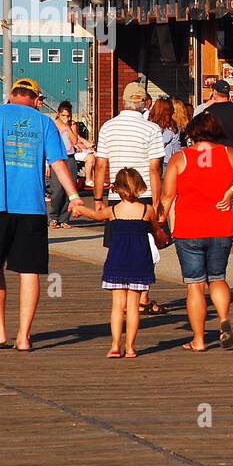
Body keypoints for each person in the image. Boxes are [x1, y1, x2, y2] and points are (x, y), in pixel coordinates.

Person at [0, 78, 79, 351]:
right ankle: (24, 337)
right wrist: (73, 197)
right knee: (29, 271)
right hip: (32, 207)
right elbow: (58, 164)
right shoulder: (44, 122)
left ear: (11, 95)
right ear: (36, 99)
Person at [157, 111, 233, 351]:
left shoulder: (180, 158)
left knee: (195, 285)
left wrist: (159, 222)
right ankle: (224, 319)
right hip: (220, 225)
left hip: (189, 228)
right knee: (218, 278)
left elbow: (167, 196)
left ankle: (199, 340)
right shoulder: (229, 154)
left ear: (192, 132)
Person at [73, 167, 168, 359]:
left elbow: (95, 215)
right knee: (133, 307)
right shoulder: (146, 210)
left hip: (117, 260)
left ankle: (115, 346)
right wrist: (161, 238)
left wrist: (80, 208)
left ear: (117, 189)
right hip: (139, 261)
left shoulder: (113, 211)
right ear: (140, 187)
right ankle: (131, 348)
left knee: (118, 306)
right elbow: (157, 230)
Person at [94, 82, 166, 313]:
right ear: (144, 103)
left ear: (124, 102)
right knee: (145, 246)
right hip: (143, 195)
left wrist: (98, 198)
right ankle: (142, 296)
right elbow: (155, 169)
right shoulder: (151, 129)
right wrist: (157, 202)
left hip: (117, 196)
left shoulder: (108, 127)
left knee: (117, 244)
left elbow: (101, 164)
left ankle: (119, 294)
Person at [201, 80, 233, 239]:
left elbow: (205, 138)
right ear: (228, 93)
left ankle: (218, 226)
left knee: (216, 191)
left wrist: (203, 159)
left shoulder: (208, 112)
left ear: (214, 92)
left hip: (215, 156)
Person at [49, 101, 89, 227]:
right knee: (57, 190)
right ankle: (53, 217)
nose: (66, 118)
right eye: (63, 115)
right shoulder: (53, 125)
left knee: (70, 189)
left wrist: (68, 128)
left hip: (70, 157)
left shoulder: (72, 125)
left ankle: (64, 219)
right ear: (58, 114)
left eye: (68, 116)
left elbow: (75, 140)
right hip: (57, 158)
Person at [148, 97, 184, 168]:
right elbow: (174, 146)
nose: (173, 112)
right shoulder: (171, 128)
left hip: (153, 162)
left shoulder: (149, 125)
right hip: (167, 163)